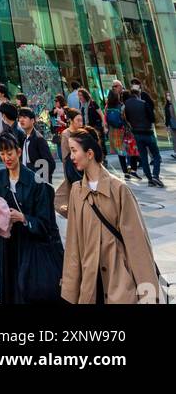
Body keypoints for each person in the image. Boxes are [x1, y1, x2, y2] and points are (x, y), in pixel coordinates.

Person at [62, 127, 161, 304]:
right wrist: (70, 291)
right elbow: (73, 246)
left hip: (120, 286)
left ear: (90, 153)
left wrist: (149, 295)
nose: (71, 156)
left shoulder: (119, 190)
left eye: (74, 151)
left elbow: (138, 245)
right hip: (90, 287)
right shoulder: (76, 192)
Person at [0, 131, 63, 304]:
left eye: (10, 153)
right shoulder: (0, 177)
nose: (6, 158)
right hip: (8, 244)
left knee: (26, 290)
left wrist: (23, 218)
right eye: (2, 154)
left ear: (19, 152)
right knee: (10, 288)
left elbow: (45, 223)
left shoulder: (36, 181)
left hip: (30, 246)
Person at [121, 80, 164, 187]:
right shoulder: (143, 103)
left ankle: (150, 179)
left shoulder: (126, 106)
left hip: (136, 133)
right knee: (156, 155)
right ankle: (155, 176)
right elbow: (153, 118)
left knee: (143, 156)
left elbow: (125, 119)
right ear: (138, 93)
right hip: (147, 132)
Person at [54, 108, 86, 216]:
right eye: (78, 120)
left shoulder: (83, 132)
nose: (81, 123)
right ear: (71, 120)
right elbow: (65, 156)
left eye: (81, 120)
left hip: (84, 168)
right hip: (73, 169)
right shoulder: (66, 134)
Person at [17, 107, 55, 183]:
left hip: (37, 183)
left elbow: (50, 163)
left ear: (32, 120)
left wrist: (40, 180)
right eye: (20, 117)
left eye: (24, 117)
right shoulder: (24, 138)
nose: (21, 120)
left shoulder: (38, 139)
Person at [165, 91, 176, 161]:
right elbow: (167, 116)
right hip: (172, 124)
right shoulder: (167, 106)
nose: (168, 97)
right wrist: (167, 125)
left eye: (169, 95)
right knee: (174, 139)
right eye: (167, 96)